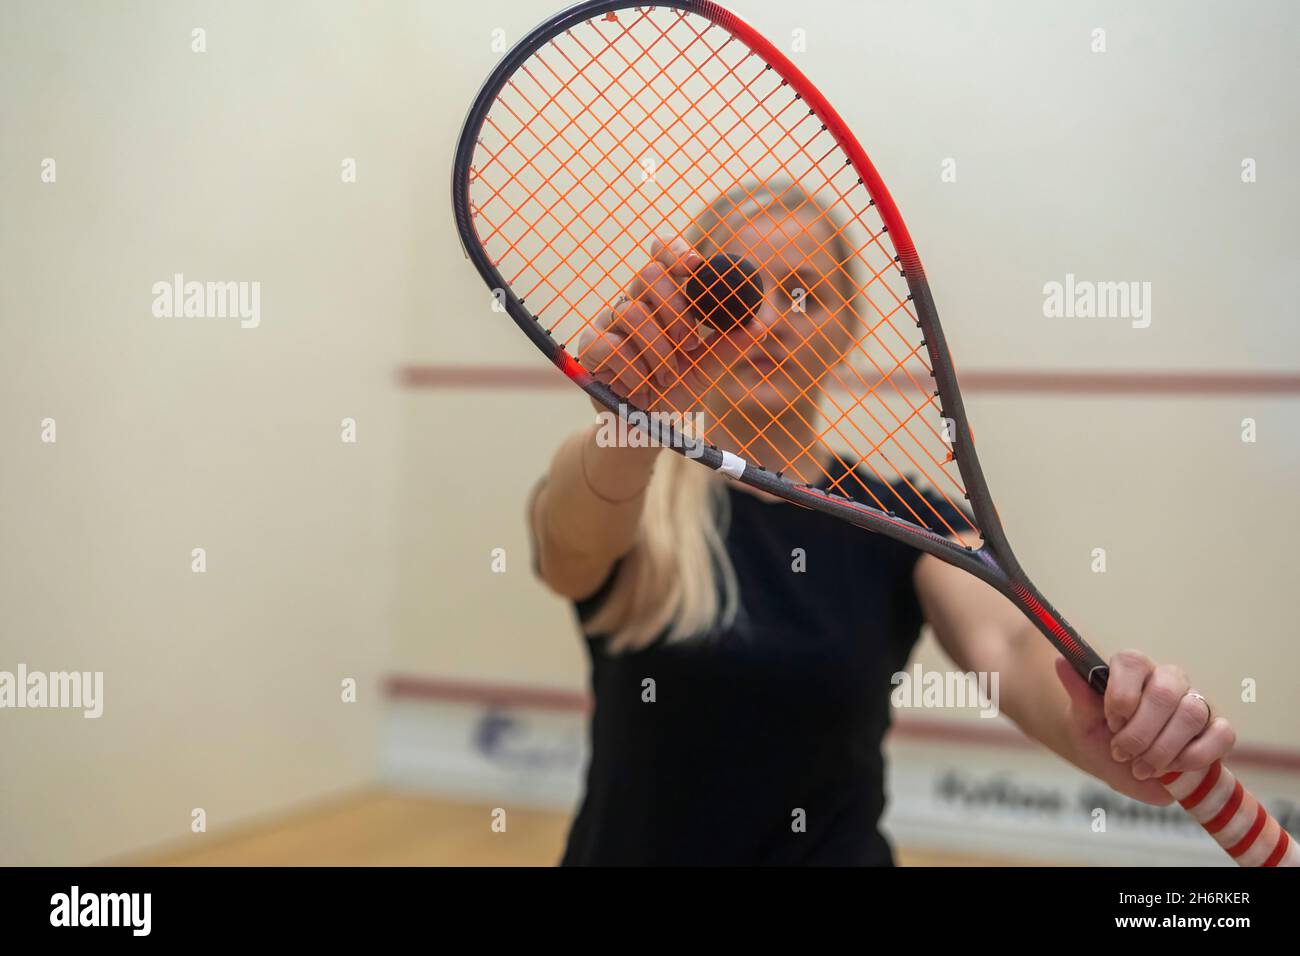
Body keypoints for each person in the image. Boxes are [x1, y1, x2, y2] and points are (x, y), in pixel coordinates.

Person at [526, 182, 1235, 865]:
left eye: (804, 294)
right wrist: (629, 431)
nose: (769, 321)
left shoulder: (905, 521)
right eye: (733, 294)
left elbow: (1013, 645)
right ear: (691, 314)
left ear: (848, 328)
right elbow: (568, 550)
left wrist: (1113, 729)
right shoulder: (627, 487)